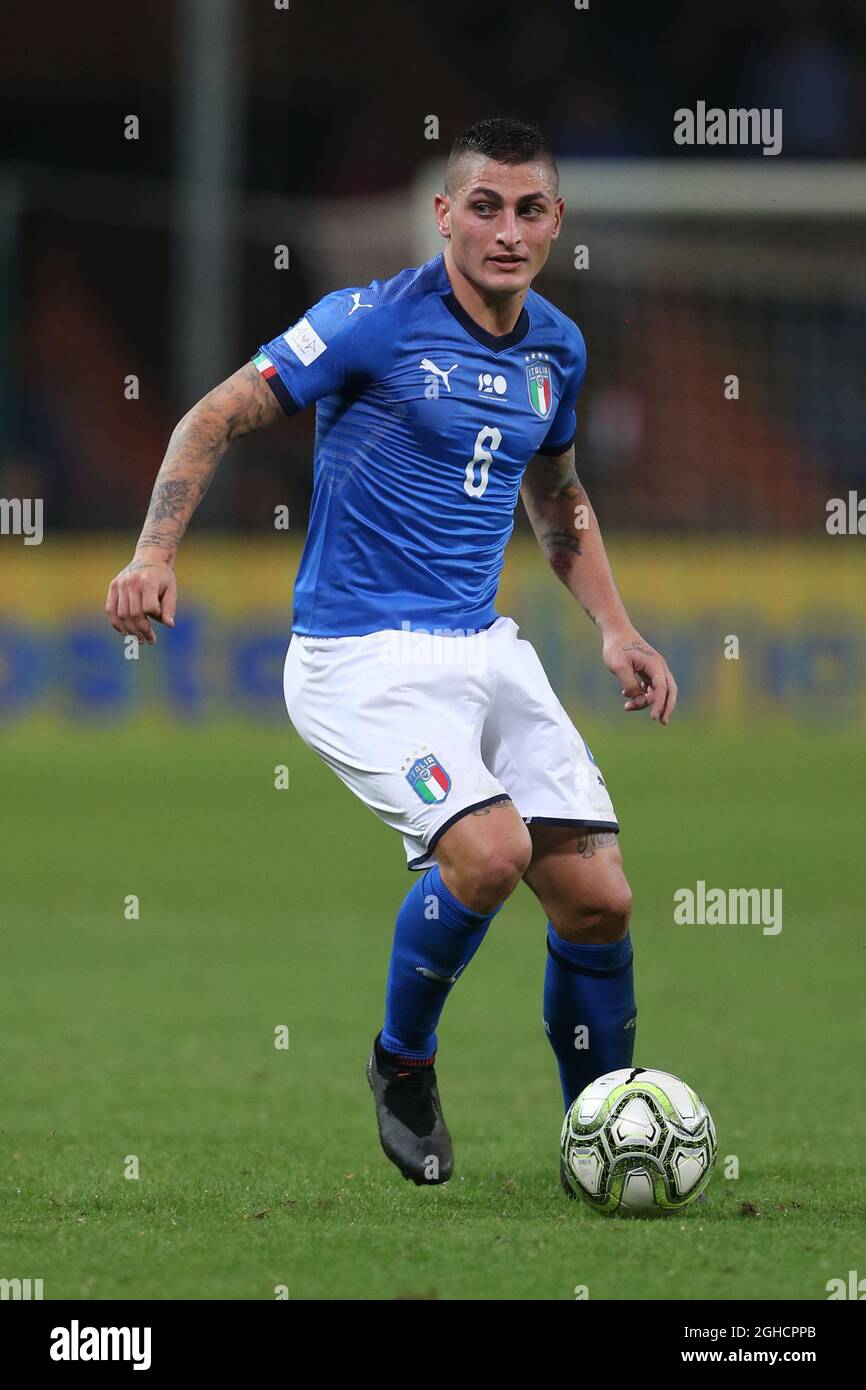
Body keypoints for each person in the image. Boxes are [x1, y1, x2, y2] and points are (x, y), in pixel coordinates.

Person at [105, 116, 677, 1193]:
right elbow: (210, 418)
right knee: (490, 853)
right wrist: (152, 553)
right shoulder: (367, 322)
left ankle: (602, 1135)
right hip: (357, 657)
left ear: (556, 220)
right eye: (484, 207)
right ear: (442, 215)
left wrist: (615, 625)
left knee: (599, 899)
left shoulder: (557, 345)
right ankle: (400, 1061)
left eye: (528, 209)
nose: (506, 230)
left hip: (482, 647)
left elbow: (557, 500)